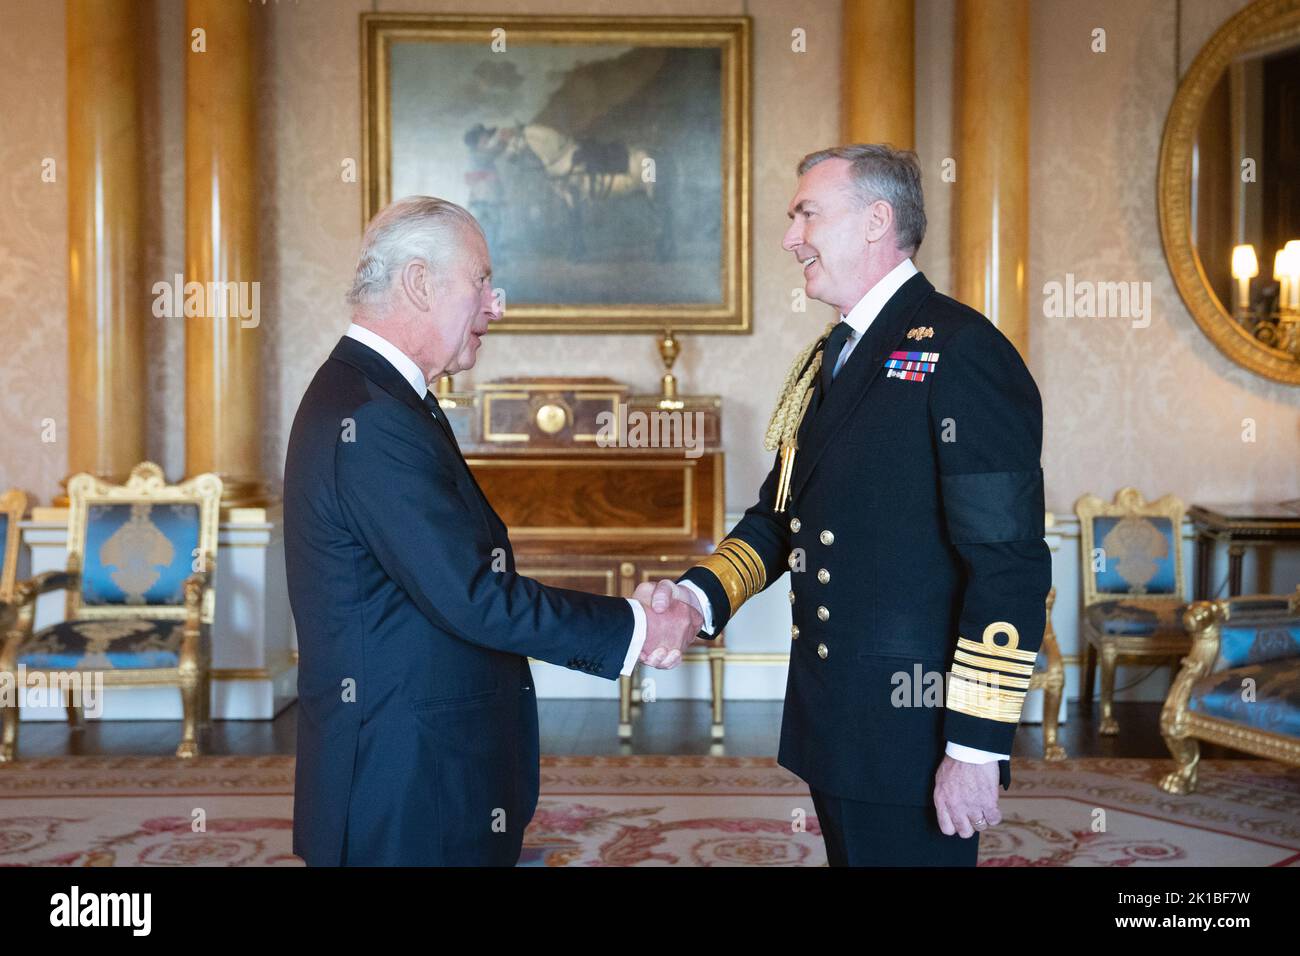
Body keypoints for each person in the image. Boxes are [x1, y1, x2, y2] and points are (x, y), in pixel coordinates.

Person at [645, 144, 1052, 866]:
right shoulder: (834, 353)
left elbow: (1009, 566)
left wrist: (975, 745)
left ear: (876, 221)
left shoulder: (962, 350)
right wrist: (695, 600)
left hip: (915, 730)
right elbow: (780, 520)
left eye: (807, 214)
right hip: (838, 718)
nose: (789, 238)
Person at [284, 196, 701, 866]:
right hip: (404, 788)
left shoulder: (379, 397)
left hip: (414, 772)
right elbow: (473, 596)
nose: (495, 306)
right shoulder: (375, 416)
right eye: (481, 281)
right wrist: (635, 626)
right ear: (419, 283)